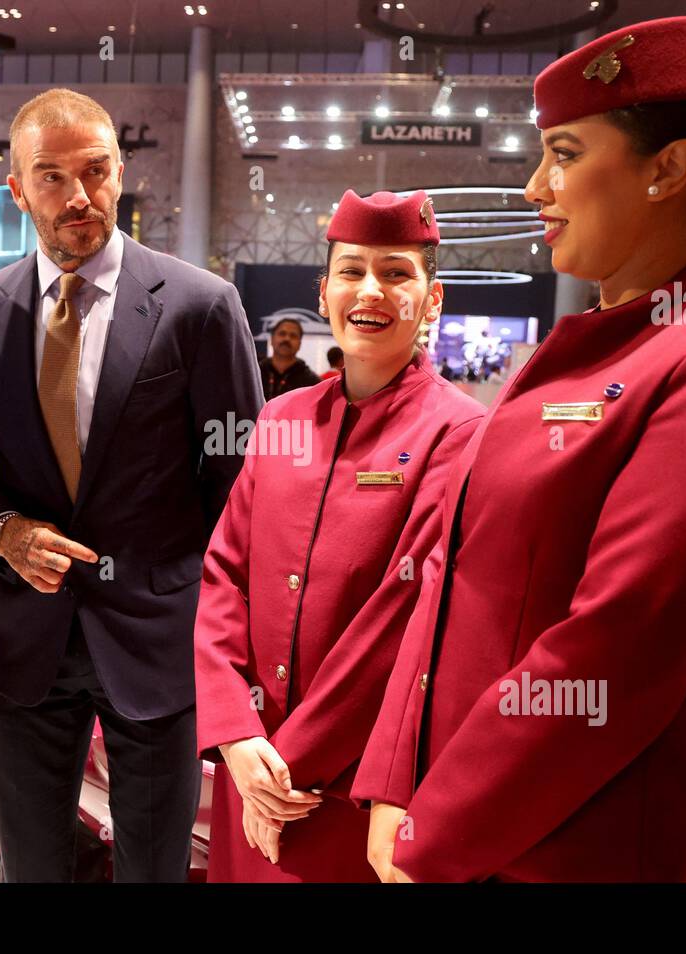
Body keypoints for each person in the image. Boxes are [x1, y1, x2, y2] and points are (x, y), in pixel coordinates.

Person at [353, 15, 686, 882]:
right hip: (467, 834)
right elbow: (445, 583)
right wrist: (392, 782)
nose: (536, 186)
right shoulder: (572, 355)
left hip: (589, 850)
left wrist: (437, 830)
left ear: (670, 169)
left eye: (564, 153)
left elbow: (621, 645)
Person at [0, 88, 263, 882]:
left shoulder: (200, 306)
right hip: (29, 643)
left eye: (94, 171)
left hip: (160, 638)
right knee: (32, 865)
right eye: (50, 177)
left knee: (156, 868)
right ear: (17, 189)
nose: (77, 196)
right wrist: (2, 532)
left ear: (121, 173)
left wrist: (233, 645)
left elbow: (241, 491)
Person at [195, 189, 485, 881]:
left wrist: (286, 766)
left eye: (396, 272)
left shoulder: (460, 433)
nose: (371, 289)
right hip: (250, 769)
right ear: (324, 293)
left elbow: (403, 619)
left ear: (433, 298)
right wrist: (235, 733)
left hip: (351, 786)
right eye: (352, 270)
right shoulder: (281, 418)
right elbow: (223, 577)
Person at [259, 318, 320, 399]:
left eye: (293, 336)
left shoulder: (312, 383)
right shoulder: (255, 373)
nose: (287, 339)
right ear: (272, 339)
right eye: (282, 334)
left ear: (299, 344)